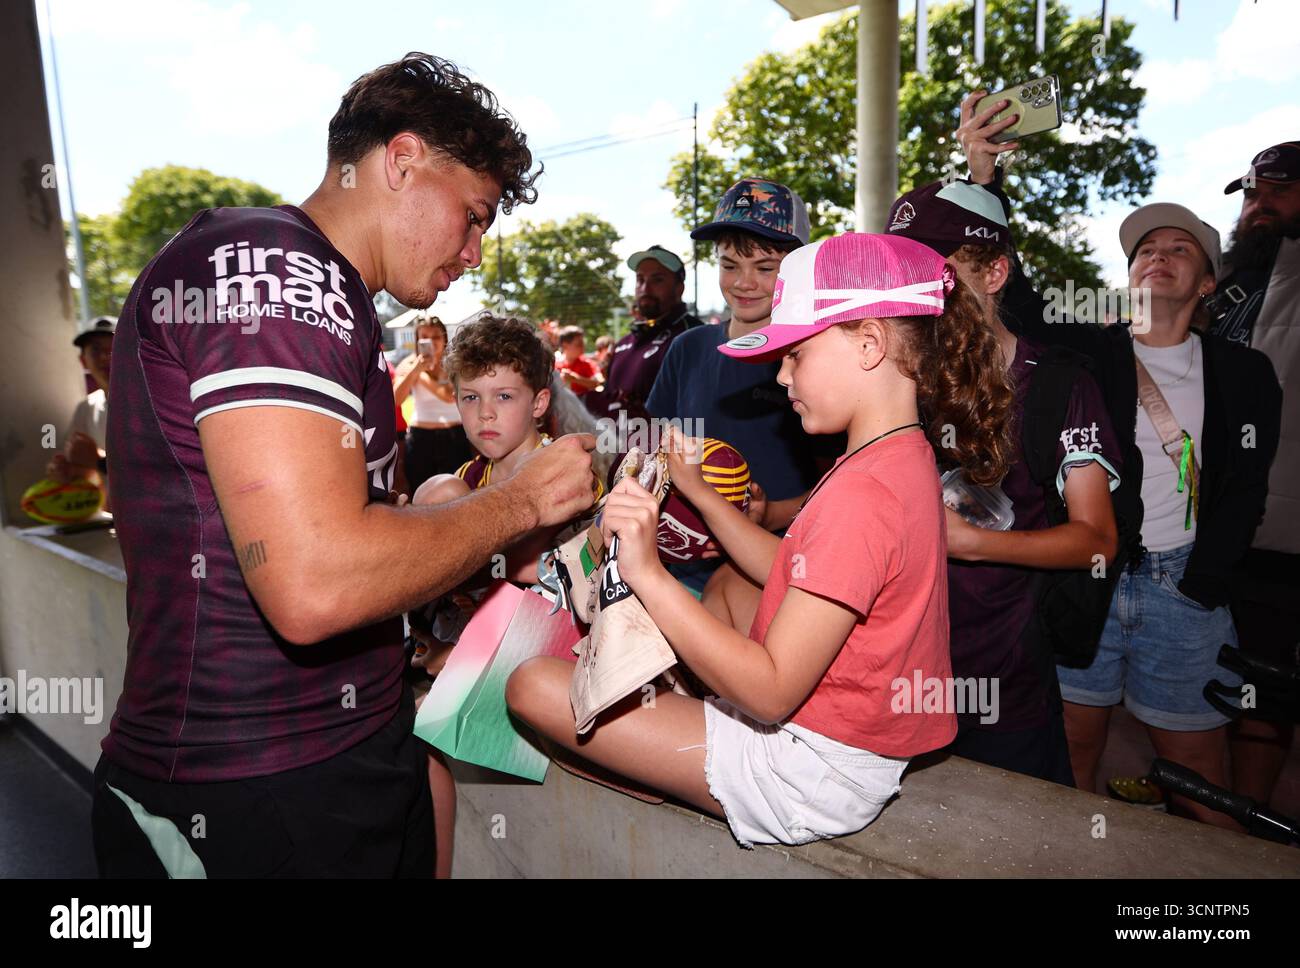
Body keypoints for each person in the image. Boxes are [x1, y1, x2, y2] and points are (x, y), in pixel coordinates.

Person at [93, 52, 596, 878]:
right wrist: (516, 506)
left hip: (336, 755)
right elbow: (316, 582)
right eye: (473, 215)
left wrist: (463, 531)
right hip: (249, 790)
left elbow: (356, 532)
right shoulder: (274, 266)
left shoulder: (327, 295)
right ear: (402, 161)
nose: (475, 252)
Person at [507, 233, 1011, 848]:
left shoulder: (865, 497)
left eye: (796, 353)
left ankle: (674, 760)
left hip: (811, 775)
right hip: (859, 740)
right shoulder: (897, 455)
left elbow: (771, 694)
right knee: (726, 582)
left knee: (529, 685)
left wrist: (646, 571)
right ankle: (673, 718)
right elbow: (794, 566)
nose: (781, 372)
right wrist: (700, 490)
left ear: (871, 344)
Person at [885, 179, 1124, 786]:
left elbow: (1096, 539)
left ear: (994, 273)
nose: (917, 284)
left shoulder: (1058, 386)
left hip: (1002, 681)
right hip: (895, 669)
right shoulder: (892, 372)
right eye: (906, 265)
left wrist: (971, 543)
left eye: (936, 266)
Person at [407, 314, 600, 879]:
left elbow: (542, 572)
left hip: (559, 635)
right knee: (413, 745)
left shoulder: (566, 466)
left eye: (504, 396)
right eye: (470, 397)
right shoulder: (472, 473)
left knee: (440, 498)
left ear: (540, 402)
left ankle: (451, 653)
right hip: (482, 627)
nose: (485, 413)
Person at [646, 177, 830, 625]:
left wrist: (766, 518)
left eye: (766, 268)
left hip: (777, 574)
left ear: (798, 267)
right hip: (676, 569)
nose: (745, 283)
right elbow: (655, 451)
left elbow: (840, 487)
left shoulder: (819, 356)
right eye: (730, 265)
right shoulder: (687, 349)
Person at [1211, 141, 1300, 808]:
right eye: (1251, 192)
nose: (1258, 204)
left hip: (1283, 539)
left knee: (1267, 686)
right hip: (1228, 529)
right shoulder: (1237, 287)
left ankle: (1249, 828)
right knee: (1229, 674)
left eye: (1277, 190)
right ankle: (1226, 813)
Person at [583, 245, 700, 421]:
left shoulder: (694, 335)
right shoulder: (622, 344)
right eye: (640, 279)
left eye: (657, 280)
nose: (645, 288)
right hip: (612, 445)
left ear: (679, 288)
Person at [393, 314, 474, 492]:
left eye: (436, 337)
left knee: (460, 490)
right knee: (420, 491)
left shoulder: (455, 364)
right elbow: (396, 400)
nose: (431, 342)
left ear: (445, 338)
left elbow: (449, 395)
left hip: (456, 435)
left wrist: (426, 375)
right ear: (417, 340)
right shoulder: (409, 365)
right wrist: (416, 370)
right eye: (424, 338)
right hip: (421, 437)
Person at [48, 316, 115, 502]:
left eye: (114, 347)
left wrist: (98, 462)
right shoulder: (87, 408)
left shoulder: (155, 402)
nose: (105, 356)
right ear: (83, 361)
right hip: (113, 521)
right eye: (95, 350)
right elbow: (83, 471)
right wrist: (66, 471)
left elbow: (159, 467)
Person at [554, 326, 602, 396]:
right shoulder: (554, 364)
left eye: (583, 344)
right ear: (565, 345)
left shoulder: (587, 363)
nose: (583, 347)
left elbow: (596, 383)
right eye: (579, 344)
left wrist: (575, 378)